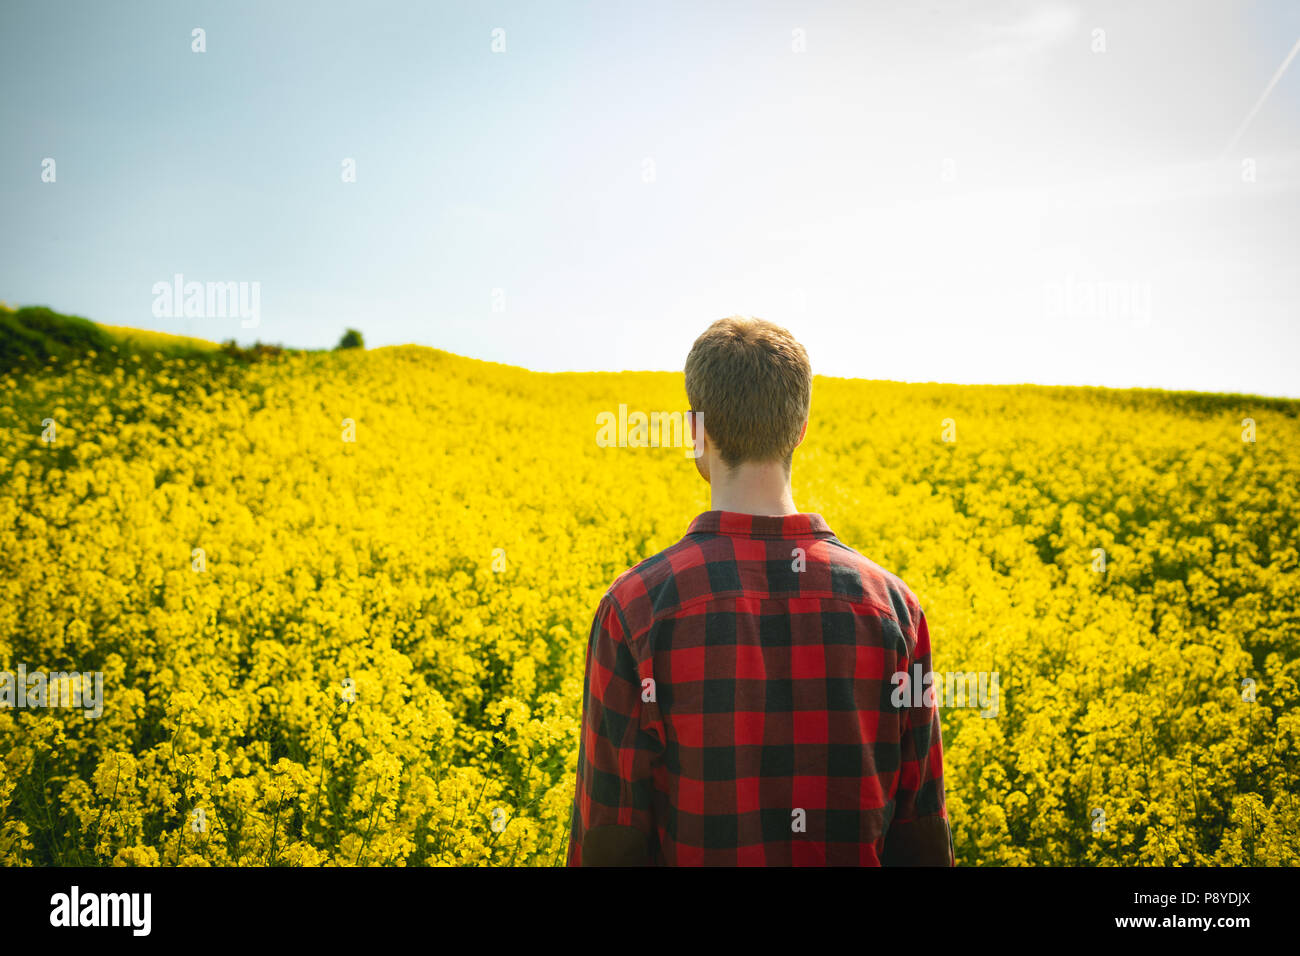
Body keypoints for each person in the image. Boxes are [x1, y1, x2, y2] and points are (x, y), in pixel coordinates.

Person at [567, 316, 954, 866]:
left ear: (694, 431)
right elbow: (922, 835)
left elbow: (612, 837)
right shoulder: (892, 609)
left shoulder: (635, 609)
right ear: (800, 429)